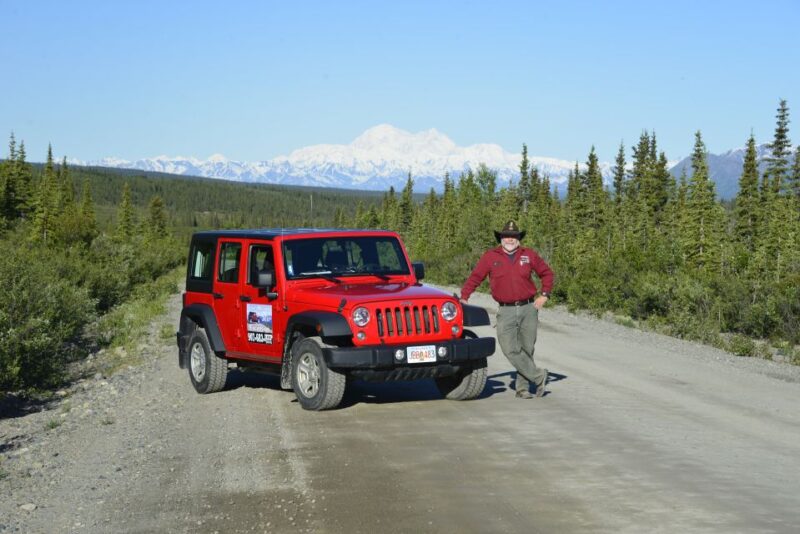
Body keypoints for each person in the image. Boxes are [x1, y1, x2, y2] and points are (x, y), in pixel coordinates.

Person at [460, 220, 554, 399]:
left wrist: (545, 295)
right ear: (500, 238)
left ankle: (522, 389)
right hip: (506, 310)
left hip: (529, 307)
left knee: (526, 349)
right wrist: (464, 297)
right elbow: (475, 277)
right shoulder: (490, 257)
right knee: (509, 348)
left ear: (519, 239)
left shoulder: (529, 255)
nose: (509, 239)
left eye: (513, 236)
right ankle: (539, 376)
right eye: (506, 236)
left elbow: (547, 273)